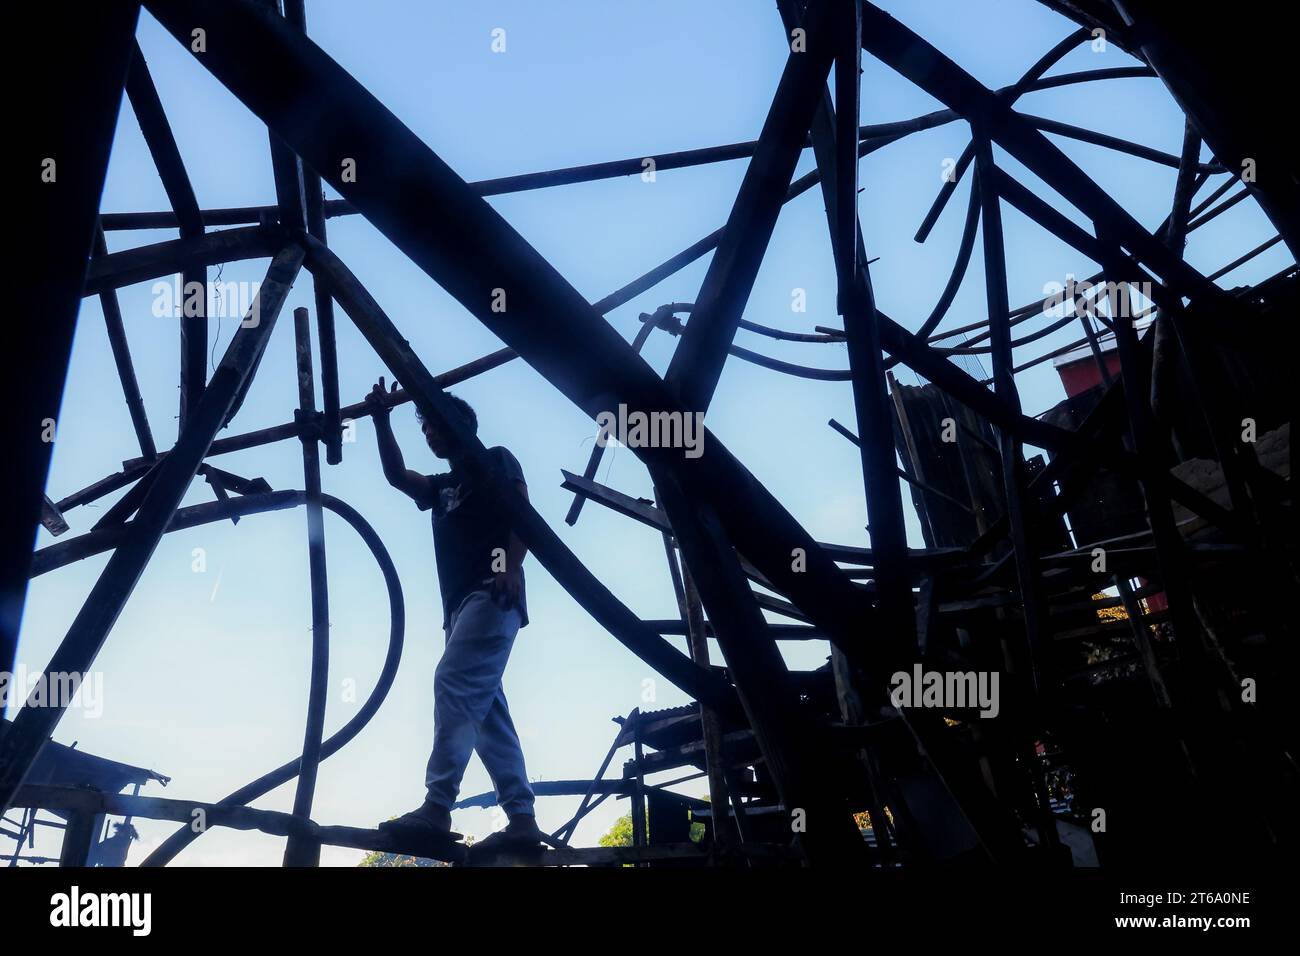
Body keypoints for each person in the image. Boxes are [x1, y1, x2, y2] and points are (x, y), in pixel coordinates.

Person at [365, 377, 542, 851]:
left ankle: (437, 806)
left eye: (435, 425)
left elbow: (522, 511)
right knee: (485, 717)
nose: (429, 435)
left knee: (451, 683)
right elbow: (398, 475)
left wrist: (510, 565)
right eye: (424, 430)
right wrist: (382, 418)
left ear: (463, 424)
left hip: (492, 592)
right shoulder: (443, 486)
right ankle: (522, 818)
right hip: (459, 610)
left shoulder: (494, 460)